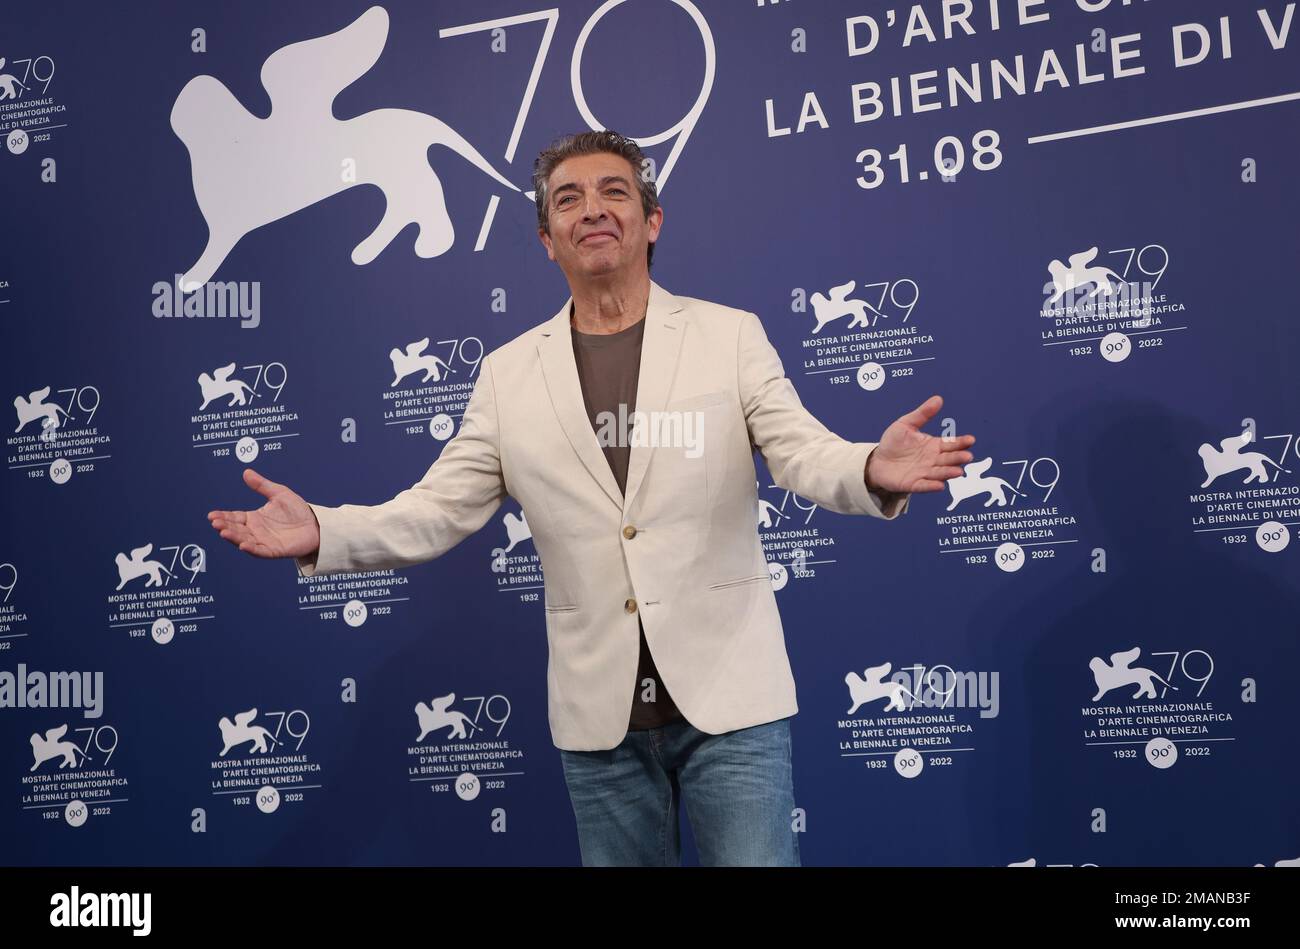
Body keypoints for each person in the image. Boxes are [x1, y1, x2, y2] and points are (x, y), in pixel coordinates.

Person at [208, 130, 977, 866]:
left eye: (615, 192)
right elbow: (437, 508)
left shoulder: (729, 336)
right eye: (569, 199)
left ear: (652, 222)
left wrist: (872, 465)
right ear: (548, 238)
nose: (594, 209)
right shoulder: (509, 374)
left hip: (731, 704)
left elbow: (803, 454)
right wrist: (321, 529)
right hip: (598, 720)